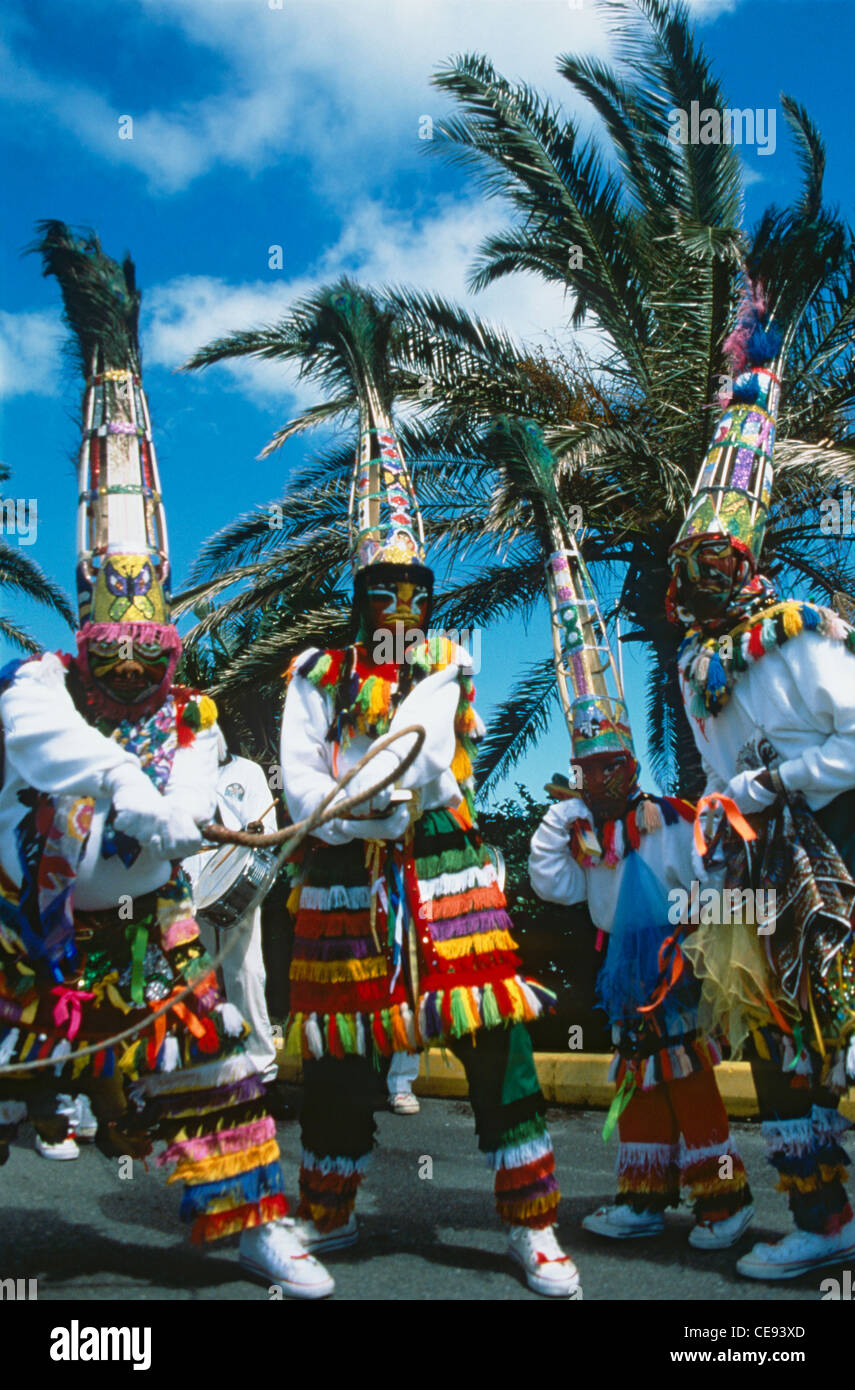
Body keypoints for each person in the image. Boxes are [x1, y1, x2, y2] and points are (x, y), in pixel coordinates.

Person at [0, 222, 333, 1299]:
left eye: (152, 656)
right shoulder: (40, 687)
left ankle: (256, 1231)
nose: (136, 674)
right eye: (117, 655)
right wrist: (125, 782)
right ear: (89, 642)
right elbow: (40, 745)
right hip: (32, 933)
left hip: (149, 931)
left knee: (223, 1071)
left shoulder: (191, 718)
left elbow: (193, 785)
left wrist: (176, 807)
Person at [279, 285, 576, 1296]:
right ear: (358, 599)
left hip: (449, 874)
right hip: (341, 881)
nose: (399, 608)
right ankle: (329, 1210)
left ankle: (533, 1225)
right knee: (342, 1052)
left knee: (495, 1038)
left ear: (427, 601)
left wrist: (410, 772)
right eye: (381, 594)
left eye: (414, 594)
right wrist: (358, 806)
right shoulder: (318, 675)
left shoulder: (452, 663)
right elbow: (295, 778)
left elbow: (452, 765)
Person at [667, 277, 855, 1279]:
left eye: (718, 558)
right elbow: (715, 772)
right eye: (688, 561)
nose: (702, 577)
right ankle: (825, 1220)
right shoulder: (698, 666)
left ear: (749, 561)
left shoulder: (801, 639)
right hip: (747, 867)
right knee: (772, 1045)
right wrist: (720, 805)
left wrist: (775, 781)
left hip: (833, 856)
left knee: (844, 1032)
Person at [529, 705, 752, 1246]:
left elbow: (711, 878)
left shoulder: (668, 818)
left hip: (670, 969)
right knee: (638, 1079)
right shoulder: (586, 833)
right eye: (586, 769)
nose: (596, 779)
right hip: (622, 976)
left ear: (628, 767)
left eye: (607, 766)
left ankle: (725, 1201)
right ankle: (644, 1197)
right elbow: (554, 885)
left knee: (685, 1074)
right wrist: (557, 820)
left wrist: (690, 940)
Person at [185, 724, 279, 1087]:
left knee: (246, 973)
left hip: (237, 882)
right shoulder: (184, 775)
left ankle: (260, 1063)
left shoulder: (248, 772)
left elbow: (266, 828)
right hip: (194, 885)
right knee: (198, 977)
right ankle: (206, 1057)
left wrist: (254, 833)